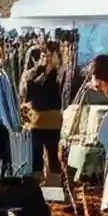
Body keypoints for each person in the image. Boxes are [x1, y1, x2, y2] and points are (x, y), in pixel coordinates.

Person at [20, 42, 64, 181]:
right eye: (44, 55)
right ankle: (36, 187)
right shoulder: (32, 73)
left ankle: (54, 186)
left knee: (53, 156)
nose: (47, 58)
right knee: (35, 157)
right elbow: (25, 96)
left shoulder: (61, 74)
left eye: (50, 55)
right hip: (36, 121)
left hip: (54, 121)